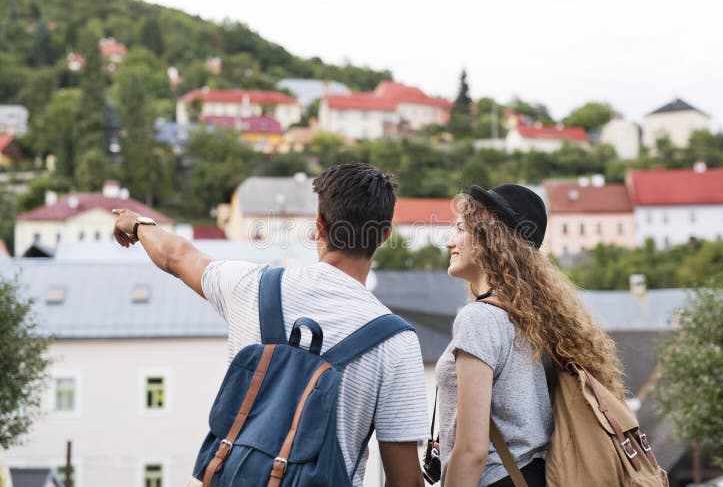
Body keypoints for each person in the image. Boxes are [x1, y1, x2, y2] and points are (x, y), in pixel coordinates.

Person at [112, 162, 429, 487]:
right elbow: (405, 479)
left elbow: (177, 256)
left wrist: (137, 224)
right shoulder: (395, 342)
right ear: (385, 235)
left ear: (318, 226)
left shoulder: (249, 286)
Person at [435, 184, 625, 487]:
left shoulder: (479, 318)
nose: (449, 242)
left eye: (460, 229)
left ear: (489, 238)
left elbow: (472, 450)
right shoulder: (535, 318)